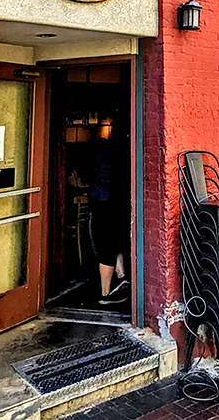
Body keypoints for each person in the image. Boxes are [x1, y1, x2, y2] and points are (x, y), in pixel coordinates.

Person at [89, 124, 130, 306]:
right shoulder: (123, 151)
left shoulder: (99, 152)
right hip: (117, 200)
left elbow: (88, 173)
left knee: (106, 243)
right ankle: (116, 281)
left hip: (101, 198)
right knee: (114, 241)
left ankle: (106, 292)